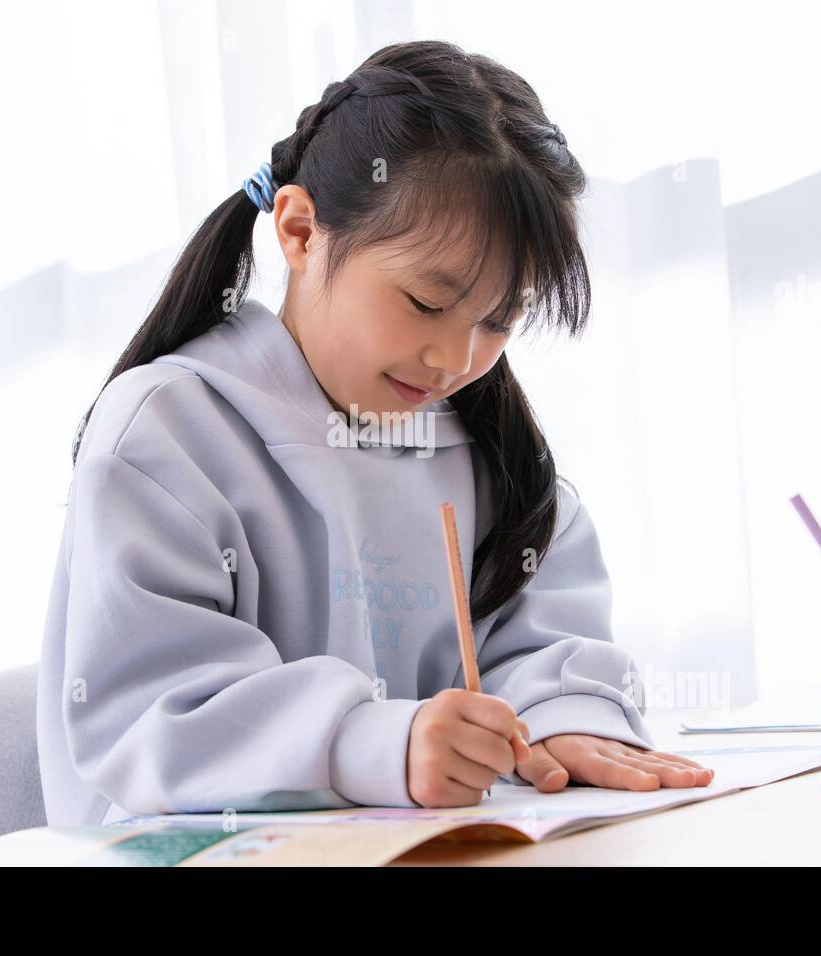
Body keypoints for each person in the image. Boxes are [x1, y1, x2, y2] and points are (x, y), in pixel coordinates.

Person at [37, 38, 713, 827]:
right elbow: (152, 715)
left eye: (499, 320)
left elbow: (537, 635)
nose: (457, 360)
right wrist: (372, 742)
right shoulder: (168, 436)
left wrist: (561, 720)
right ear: (299, 233)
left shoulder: (477, 441)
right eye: (426, 303)